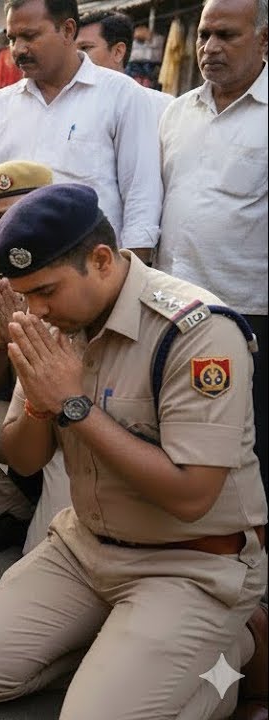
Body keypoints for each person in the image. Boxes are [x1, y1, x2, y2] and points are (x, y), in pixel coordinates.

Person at [0, 183, 268, 720]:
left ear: (100, 260)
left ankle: (239, 652)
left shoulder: (196, 331)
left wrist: (73, 404)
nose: (36, 311)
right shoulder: (53, 322)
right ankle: (132, 657)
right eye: (25, 296)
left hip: (190, 558)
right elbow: (24, 459)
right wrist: (39, 402)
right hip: (87, 545)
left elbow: (192, 496)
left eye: (46, 291)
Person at [0, 0, 164, 261]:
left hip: (88, 274)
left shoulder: (121, 94)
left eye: (29, 36)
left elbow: (141, 197)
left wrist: (132, 280)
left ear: (67, 30)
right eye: (12, 38)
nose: (18, 49)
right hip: (12, 271)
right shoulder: (1, 103)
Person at [156, 0, 267, 496]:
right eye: (203, 35)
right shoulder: (176, 113)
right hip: (172, 310)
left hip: (249, 314)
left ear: (264, 39)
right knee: (178, 439)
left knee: (249, 445)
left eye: (227, 35)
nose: (208, 48)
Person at [0, 160, 68, 554]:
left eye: (3, 216)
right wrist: (2, 347)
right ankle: (9, 509)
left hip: (78, 427)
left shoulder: (76, 268)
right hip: (26, 420)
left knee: (44, 559)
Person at [77, 10, 175, 116]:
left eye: (85, 48)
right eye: (72, 49)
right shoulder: (69, 105)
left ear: (118, 52)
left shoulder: (162, 107)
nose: (77, 55)